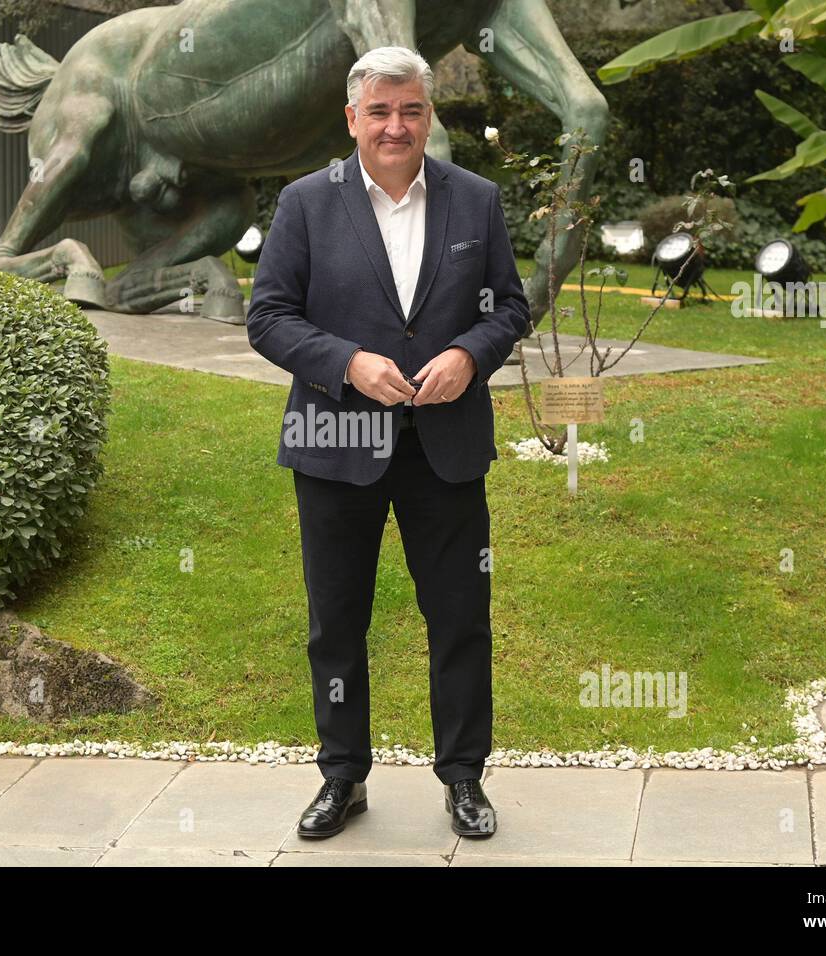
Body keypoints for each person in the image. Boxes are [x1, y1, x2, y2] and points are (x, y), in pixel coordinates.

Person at [245, 45, 530, 840]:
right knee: (336, 620)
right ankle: (342, 778)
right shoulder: (306, 203)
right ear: (353, 118)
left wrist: (470, 355)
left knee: (461, 618)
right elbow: (267, 317)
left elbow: (509, 307)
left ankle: (465, 779)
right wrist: (348, 364)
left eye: (410, 110)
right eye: (380, 111)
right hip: (334, 440)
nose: (395, 126)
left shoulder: (475, 200)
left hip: (446, 445)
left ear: (428, 114)